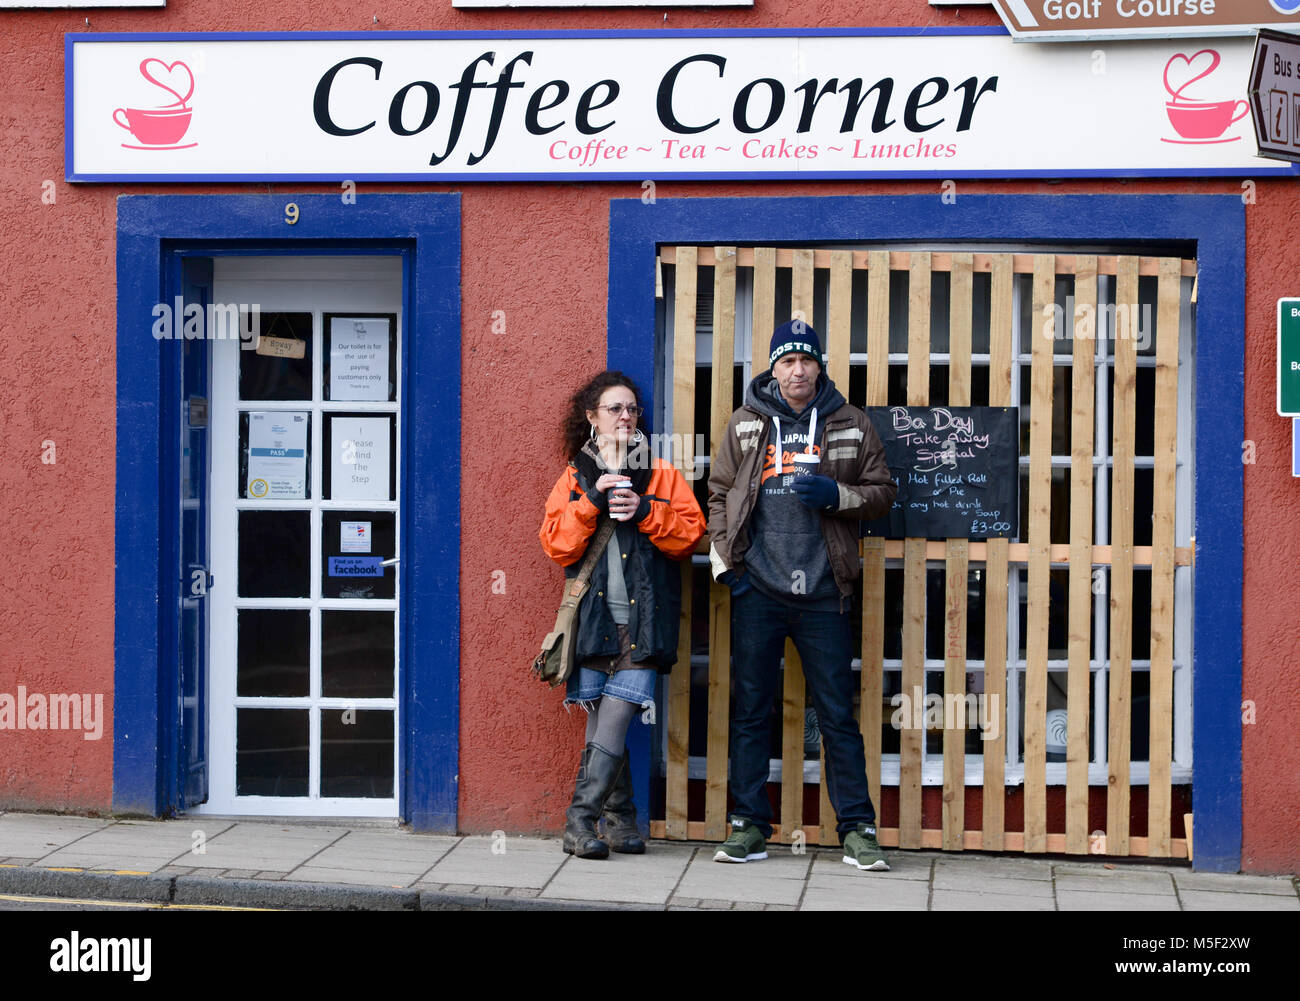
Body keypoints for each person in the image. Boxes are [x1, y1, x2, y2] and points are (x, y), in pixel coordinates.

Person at [707, 319, 898, 871]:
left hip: (824, 592)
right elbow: (717, 494)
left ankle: (857, 830)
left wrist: (837, 495)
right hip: (758, 589)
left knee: (837, 713)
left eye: (806, 360)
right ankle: (748, 826)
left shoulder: (851, 422)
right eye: (787, 361)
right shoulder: (745, 424)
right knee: (751, 711)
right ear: (773, 368)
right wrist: (731, 571)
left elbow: (883, 491)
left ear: (820, 366)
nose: (797, 370)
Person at [540, 370, 706, 859]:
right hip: (591, 622)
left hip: (643, 622)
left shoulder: (660, 473)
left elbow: (691, 537)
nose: (626, 416)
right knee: (598, 723)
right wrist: (592, 501)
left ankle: (579, 823)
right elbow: (556, 544)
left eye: (632, 409)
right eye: (615, 408)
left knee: (615, 717)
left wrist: (647, 511)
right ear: (592, 417)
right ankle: (621, 819)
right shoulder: (575, 476)